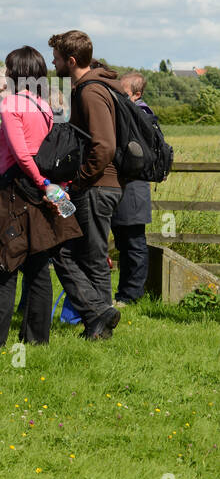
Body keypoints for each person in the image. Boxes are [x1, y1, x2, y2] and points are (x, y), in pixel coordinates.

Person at [0, 46, 81, 346]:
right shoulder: (43, 105)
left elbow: (22, 153)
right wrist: (48, 184)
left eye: (10, 70)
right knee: (38, 263)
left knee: (4, 260)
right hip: (41, 187)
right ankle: (37, 338)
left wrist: (39, 181)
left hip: (15, 187)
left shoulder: (11, 104)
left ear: (16, 73)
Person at [48, 30, 125, 340]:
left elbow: (104, 145)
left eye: (55, 58)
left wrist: (79, 181)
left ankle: (99, 320)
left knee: (85, 256)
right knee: (84, 255)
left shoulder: (91, 92)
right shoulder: (94, 86)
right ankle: (98, 318)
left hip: (96, 186)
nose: (52, 63)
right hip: (101, 185)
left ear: (71, 60)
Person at [112, 72, 156, 306]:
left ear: (137, 94)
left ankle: (132, 295)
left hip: (135, 186)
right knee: (123, 241)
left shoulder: (143, 115)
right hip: (127, 185)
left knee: (134, 243)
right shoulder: (133, 112)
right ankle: (124, 292)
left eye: (124, 92)